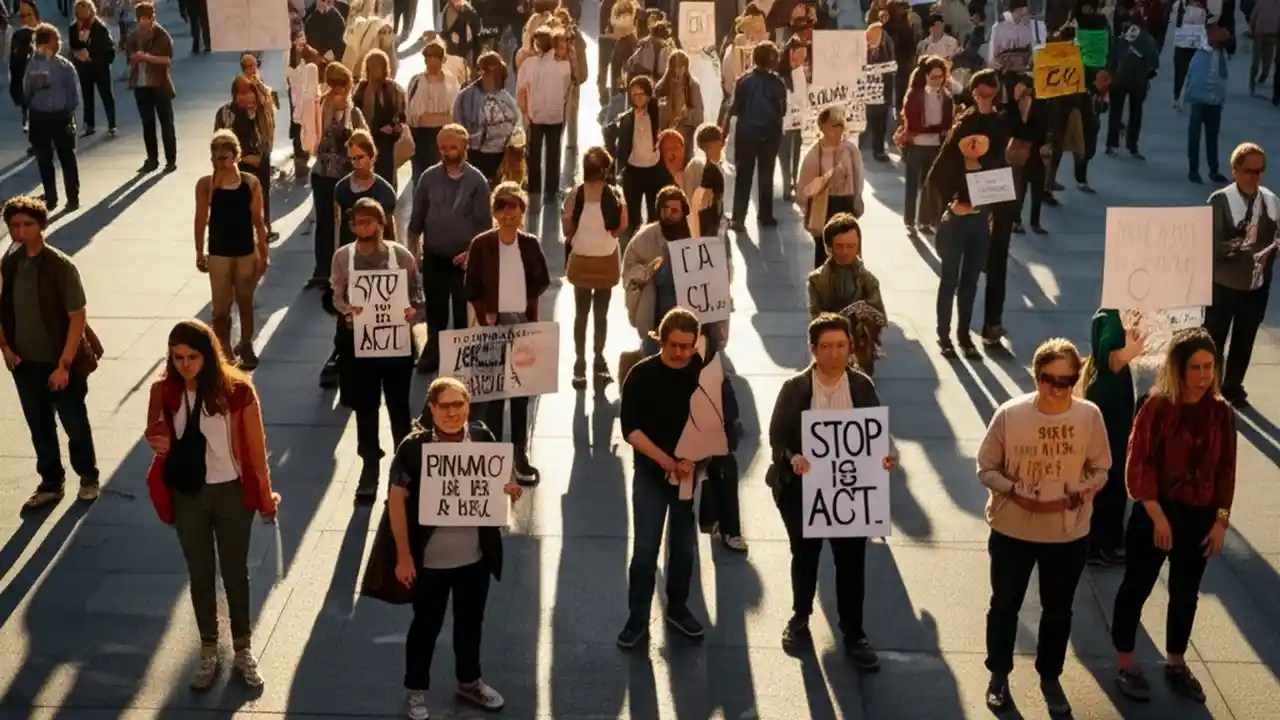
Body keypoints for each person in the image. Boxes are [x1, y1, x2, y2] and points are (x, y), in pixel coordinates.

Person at [977, 338, 1112, 716]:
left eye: (1066, 382)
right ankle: (998, 676)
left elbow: (1102, 467)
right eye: (1049, 380)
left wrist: (1084, 489)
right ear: (1036, 377)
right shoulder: (1010, 414)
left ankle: (1050, 676)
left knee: (1058, 609)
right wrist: (1014, 490)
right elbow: (985, 467)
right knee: (1004, 604)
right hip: (1012, 530)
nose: (1057, 389)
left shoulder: (1089, 416)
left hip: (1067, 533)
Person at [143, 319, 279, 691]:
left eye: (192, 357)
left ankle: (243, 649)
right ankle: (208, 650)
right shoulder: (164, 390)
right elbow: (153, 429)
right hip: (188, 493)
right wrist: (158, 439)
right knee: (200, 573)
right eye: (177, 357)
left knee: (235, 574)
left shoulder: (238, 391)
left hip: (231, 493)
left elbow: (256, 451)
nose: (185, 364)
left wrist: (265, 497)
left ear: (209, 355)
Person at [1112, 328, 1236, 703]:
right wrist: (1157, 516)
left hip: (1200, 517)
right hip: (1156, 512)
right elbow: (1138, 466)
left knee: (1186, 594)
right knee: (1136, 587)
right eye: (1195, 367)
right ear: (1178, 368)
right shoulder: (1157, 407)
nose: (1203, 375)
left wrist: (1220, 521)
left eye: (1209, 366)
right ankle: (1125, 662)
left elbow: (1226, 472)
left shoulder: (1221, 412)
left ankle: (1176, 662)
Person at [767, 312, 896, 667]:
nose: (835, 353)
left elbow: (875, 435)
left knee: (851, 563)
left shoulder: (862, 386)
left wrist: (886, 456)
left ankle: (854, 632)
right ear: (813, 349)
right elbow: (777, 438)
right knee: (804, 556)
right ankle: (800, 618)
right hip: (802, 492)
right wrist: (792, 457)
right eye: (826, 347)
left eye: (841, 345)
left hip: (848, 493)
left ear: (850, 347)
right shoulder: (795, 389)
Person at [389, 376, 520, 719]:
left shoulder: (482, 437)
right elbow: (396, 501)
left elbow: (506, 482)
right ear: (431, 408)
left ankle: (469, 682)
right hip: (430, 563)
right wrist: (403, 556)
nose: (451, 412)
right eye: (444, 406)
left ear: (467, 405)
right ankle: (416, 690)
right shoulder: (414, 448)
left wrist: (512, 490)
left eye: (458, 404)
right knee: (425, 627)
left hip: (474, 560)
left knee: (470, 625)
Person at [0, 196, 101, 510]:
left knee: (74, 423)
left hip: (60, 362)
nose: (20, 231)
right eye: (14, 225)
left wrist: (64, 365)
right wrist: (6, 348)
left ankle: (88, 477)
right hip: (24, 363)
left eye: (27, 224)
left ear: (41, 225)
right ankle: (51, 483)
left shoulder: (60, 265)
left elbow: (77, 317)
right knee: (39, 426)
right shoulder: (10, 263)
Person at [616, 307, 707, 649]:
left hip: (688, 473)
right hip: (652, 473)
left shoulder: (703, 374)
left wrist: (692, 461)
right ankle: (637, 618)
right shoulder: (641, 374)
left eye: (687, 346)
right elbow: (631, 429)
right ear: (661, 341)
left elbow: (720, 424)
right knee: (645, 549)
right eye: (674, 346)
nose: (681, 353)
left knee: (683, 548)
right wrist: (668, 462)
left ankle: (678, 608)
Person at [331, 198, 424, 501]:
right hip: (360, 348)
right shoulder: (343, 257)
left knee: (399, 408)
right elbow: (336, 295)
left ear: (382, 224)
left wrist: (413, 311)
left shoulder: (402, 257)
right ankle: (370, 466)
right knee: (365, 408)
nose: (364, 227)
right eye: (358, 222)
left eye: (369, 221)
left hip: (397, 346)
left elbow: (417, 295)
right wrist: (347, 311)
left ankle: (404, 467)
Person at [464, 182, 551, 485]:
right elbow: (471, 285)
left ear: (522, 212)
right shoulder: (481, 244)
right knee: (494, 393)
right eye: (503, 209)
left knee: (520, 394)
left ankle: (519, 455)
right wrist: (485, 312)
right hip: (492, 326)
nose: (509, 215)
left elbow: (542, 279)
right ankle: (494, 456)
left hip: (522, 323)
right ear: (495, 213)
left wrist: (526, 300)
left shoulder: (530, 244)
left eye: (514, 209)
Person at [407, 124, 492, 375]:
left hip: (465, 259)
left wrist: (471, 255)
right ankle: (434, 350)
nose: (447, 152)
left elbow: (484, 228)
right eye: (442, 147)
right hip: (434, 254)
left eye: (452, 147)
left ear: (464, 147)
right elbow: (416, 221)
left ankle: (463, 356)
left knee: (463, 311)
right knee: (435, 309)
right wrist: (413, 256)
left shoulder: (477, 181)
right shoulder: (428, 178)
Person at [1204, 142, 1277, 407]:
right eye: (1249, 171)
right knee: (1214, 339)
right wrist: (1239, 245)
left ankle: (1233, 386)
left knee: (1245, 339)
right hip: (1222, 285)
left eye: (1260, 171)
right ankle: (1210, 388)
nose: (1255, 177)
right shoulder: (1219, 201)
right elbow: (1209, 244)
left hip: (1256, 285)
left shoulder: (1270, 201)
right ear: (1235, 170)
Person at [194, 131, 270, 370]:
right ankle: (224, 352)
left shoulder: (250, 183)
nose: (221, 162)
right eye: (216, 157)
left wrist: (264, 253)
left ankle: (246, 344)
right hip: (218, 253)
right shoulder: (206, 184)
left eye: (225, 157)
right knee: (220, 309)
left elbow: (259, 221)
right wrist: (199, 251)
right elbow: (200, 218)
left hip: (245, 251)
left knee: (246, 302)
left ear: (237, 156)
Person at [1081, 308, 1144, 566]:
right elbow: (1109, 360)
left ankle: (1103, 540)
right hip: (1112, 403)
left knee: (1116, 467)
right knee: (1110, 469)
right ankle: (1100, 542)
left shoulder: (1124, 312)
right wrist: (1126, 353)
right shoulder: (1111, 316)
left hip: (1122, 400)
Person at [562, 147, 627, 389]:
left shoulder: (574, 194)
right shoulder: (616, 194)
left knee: (581, 314)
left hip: (581, 259)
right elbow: (621, 226)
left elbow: (567, 229)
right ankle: (599, 360)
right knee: (601, 314)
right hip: (606, 259)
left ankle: (579, 364)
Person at [307, 62, 367, 299]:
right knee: (324, 223)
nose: (337, 90)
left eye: (341, 84)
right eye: (332, 84)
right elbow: (312, 137)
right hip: (322, 173)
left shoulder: (354, 113)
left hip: (345, 176)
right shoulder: (320, 106)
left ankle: (344, 273)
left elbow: (365, 142)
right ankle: (322, 271)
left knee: (346, 226)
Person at [622, 185, 696, 354]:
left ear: (683, 212)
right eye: (665, 210)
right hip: (654, 314)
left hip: (686, 313)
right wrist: (647, 271)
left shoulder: (693, 237)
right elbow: (628, 269)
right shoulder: (646, 237)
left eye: (674, 211)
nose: (669, 215)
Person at [725, 41, 787, 231]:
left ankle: (738, 218)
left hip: (746, 134)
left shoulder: (743, 81)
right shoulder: (777, 83)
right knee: (766, 175)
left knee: (743, 176)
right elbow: (782, 110)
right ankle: (765, 215)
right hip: (769, 134)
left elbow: (735, 108)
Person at [797, 105, 865, 268]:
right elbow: (805, 190)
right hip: (824, 208)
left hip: (846, 205)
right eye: (833, 126)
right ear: (823, 127)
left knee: (849, 254)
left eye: (840, 125)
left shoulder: (851, 151)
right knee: (824, 256)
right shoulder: (814, 154)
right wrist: (828, 178)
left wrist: (856, 200)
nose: (838, 130)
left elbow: (858, 179)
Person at [23, 23, 80, 213]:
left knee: (67, 158)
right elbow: (26, 91)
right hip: (39, 117)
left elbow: (73, 94)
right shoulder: (32, 66)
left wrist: (68, 113)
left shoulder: (64, 66)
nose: (46, 48)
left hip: (61, 117)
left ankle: (73, 198)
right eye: (42, 44)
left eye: (50, 43)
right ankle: (51, 197)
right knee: (44, 159)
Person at [215, 76, 278, 242]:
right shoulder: (225, 114)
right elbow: (219, 142)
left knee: (262, 196)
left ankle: (264, 228)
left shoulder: (260, 111)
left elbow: (266, 134)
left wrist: (261, 155)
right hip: (235, 165)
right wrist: (241, 158)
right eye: (241, 93)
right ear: (235, 95)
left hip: (260, 163)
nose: (246, 97)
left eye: (250, 93)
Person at [516, 26, 573, 199]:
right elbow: (565, 90)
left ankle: (534, 190)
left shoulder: (528, 65)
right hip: (555, 115)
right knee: (553, 153)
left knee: (534, 154)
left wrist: (524, 110)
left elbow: (520, 90)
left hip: (535, 115)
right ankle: (551, 190)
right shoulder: (564, 66)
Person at [900, 56, 952, 234]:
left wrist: (940, 130)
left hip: (935, 145)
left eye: (940, 77)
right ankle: (909, 221)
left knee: (930, 185)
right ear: (925, 76)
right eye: (933, 77)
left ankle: (925, 221)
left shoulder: (946, 96)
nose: (937, 81)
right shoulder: (915, 95)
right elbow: (914, 123)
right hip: (916, 144)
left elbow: (947, 122)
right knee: (912, 185)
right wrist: (934, 129)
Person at [122, 2, 175, 172]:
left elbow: (167, 60)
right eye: (140, 19)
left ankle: (170, 159)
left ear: (153, 18)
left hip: (160, 85)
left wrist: (146, 57)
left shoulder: (161, 35)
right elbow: (128, 55)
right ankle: (152, 159)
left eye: (146, 18)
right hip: (141, 85)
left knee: (166, 123)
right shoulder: (134, 36)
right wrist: (133, 59)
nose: (142, 22)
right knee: (147, 123)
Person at [452, 51, 520, 183]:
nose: (491, 77)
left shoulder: (506, 98)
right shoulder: (466, 97)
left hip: (502, 155)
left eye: (496, 73)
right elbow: (457, 125)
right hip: (476, 155)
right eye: (488, 72)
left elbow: (516, 123)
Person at [608, 75, 664, 230]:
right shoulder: (626, 118)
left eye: (641, 94)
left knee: (654, 217)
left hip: (653, 170)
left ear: (648, 95)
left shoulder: (657, 114)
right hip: (633, 172)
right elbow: (616, 143)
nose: (638, 98)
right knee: (633, 219)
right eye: (634, 95)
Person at [406, 36, 459, 183]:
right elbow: (416, 116)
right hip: (421, 138)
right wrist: (439, 117)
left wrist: (435, 118)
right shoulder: (417, 82)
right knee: (421, 179)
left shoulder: (451, 82)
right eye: (429, 57)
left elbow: (453, 114)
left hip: (445, 136)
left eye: (436, 57)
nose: (433, 61)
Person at [353, 49, 407, 191]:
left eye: (379, 66)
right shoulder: (362, 89)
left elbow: (401, 113)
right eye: (373, 66)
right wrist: (376, 129)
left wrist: (396, 126)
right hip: (368, 140)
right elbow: (356, 116)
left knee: (387, 178)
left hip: (387, 141)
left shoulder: (392, 88)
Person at [1106, 19, 1159, 159]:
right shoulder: (1149, 39)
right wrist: (1148, 75)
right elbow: (1155, 62)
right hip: (1139, 80)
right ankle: (1133, 146)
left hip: (1119, 79)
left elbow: (1111, 56)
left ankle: (1111, 144)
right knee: (1136, 113)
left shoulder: (1122, 37)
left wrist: (1111, 74)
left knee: (1115, 111)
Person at [1184, 26, 1230, 184]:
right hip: (1203, 100)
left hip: (1212, 101)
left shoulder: (1218, 54)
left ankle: (1210, 169)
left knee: (1209, 136)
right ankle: (1195, 170)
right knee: (1198, 136)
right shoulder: (1203, 54)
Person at [1004, 74, 1048, 235]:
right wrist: (1015, 103)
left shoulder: (1040, 104)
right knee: (1019, 189)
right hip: (1019, 151)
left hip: (1036, 150)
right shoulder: (1011, 106)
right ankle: (1016, 220)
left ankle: (1035, 222)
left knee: (1038, 187)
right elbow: (1012, 127)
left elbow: (1043, 125)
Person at [68, 0, 116, 138]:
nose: (82, 13)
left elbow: (108, 48)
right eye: (79, 10)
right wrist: (77, 54)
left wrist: (92, 55)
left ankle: (112, 124)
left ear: (91, 10)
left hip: (100, 67)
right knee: (87, 96)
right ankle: (89, 125)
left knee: (106, 95)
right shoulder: (74, 28)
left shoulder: (99, 27)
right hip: (84, 68)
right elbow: (73, 46)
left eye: (85, 9)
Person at [654, 49, 703, 159]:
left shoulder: (692, 86)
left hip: (685, 132)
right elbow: (655, 108)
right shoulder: (662, 86)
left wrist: (687, 113)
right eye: (675, 67)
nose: (678, 71)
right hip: (666, 131)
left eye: (681, 67)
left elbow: (699, 114)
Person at [680, 124, 726, 238]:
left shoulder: (717, 167)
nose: (722, 146)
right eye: (719, 144)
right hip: (707, 219)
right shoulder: (704, 169)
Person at [9, 1, 39, 140]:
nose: (26, 19)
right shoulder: (18, 36)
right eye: (22, 16)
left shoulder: (43, 33)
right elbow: (13, 62)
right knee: (27, 109)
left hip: (41, 81)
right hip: (23, 80)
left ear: (36, 15)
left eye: (29, 15)